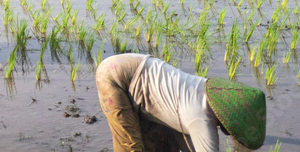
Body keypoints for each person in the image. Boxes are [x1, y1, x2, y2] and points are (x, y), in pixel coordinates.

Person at [96, 53, 266, 152]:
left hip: (139, 67)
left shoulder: (204, 89)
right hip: (115, 77)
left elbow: (187, 144)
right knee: (131, 147)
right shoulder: (201, 118)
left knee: (162, 146)